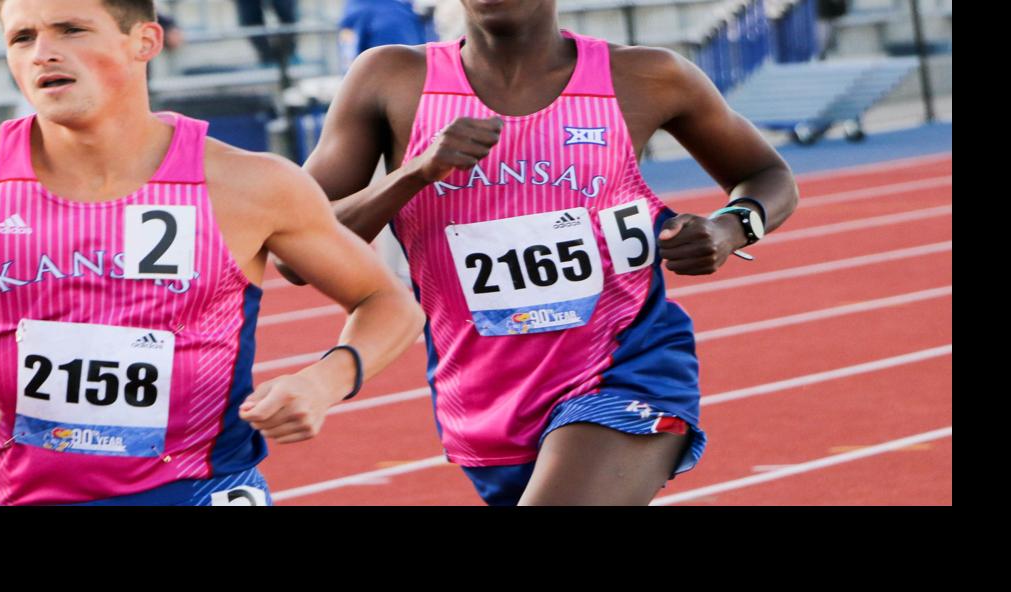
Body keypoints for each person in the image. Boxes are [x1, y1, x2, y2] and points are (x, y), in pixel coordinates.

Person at [0, 0, 423, 506]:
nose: (42, 53)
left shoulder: (249, 184)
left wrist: (324, 380)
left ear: (145, 41)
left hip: (203, 489)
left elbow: (387, 302)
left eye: (70, 29)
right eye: (21, 37)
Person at [286, 0, 797, 505]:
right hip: (482, 399)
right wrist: (412, 174)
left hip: (624, 369)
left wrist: (730, 230)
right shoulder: (391, 79)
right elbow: (296, 252)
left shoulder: (645, 76)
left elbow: (768, 175)